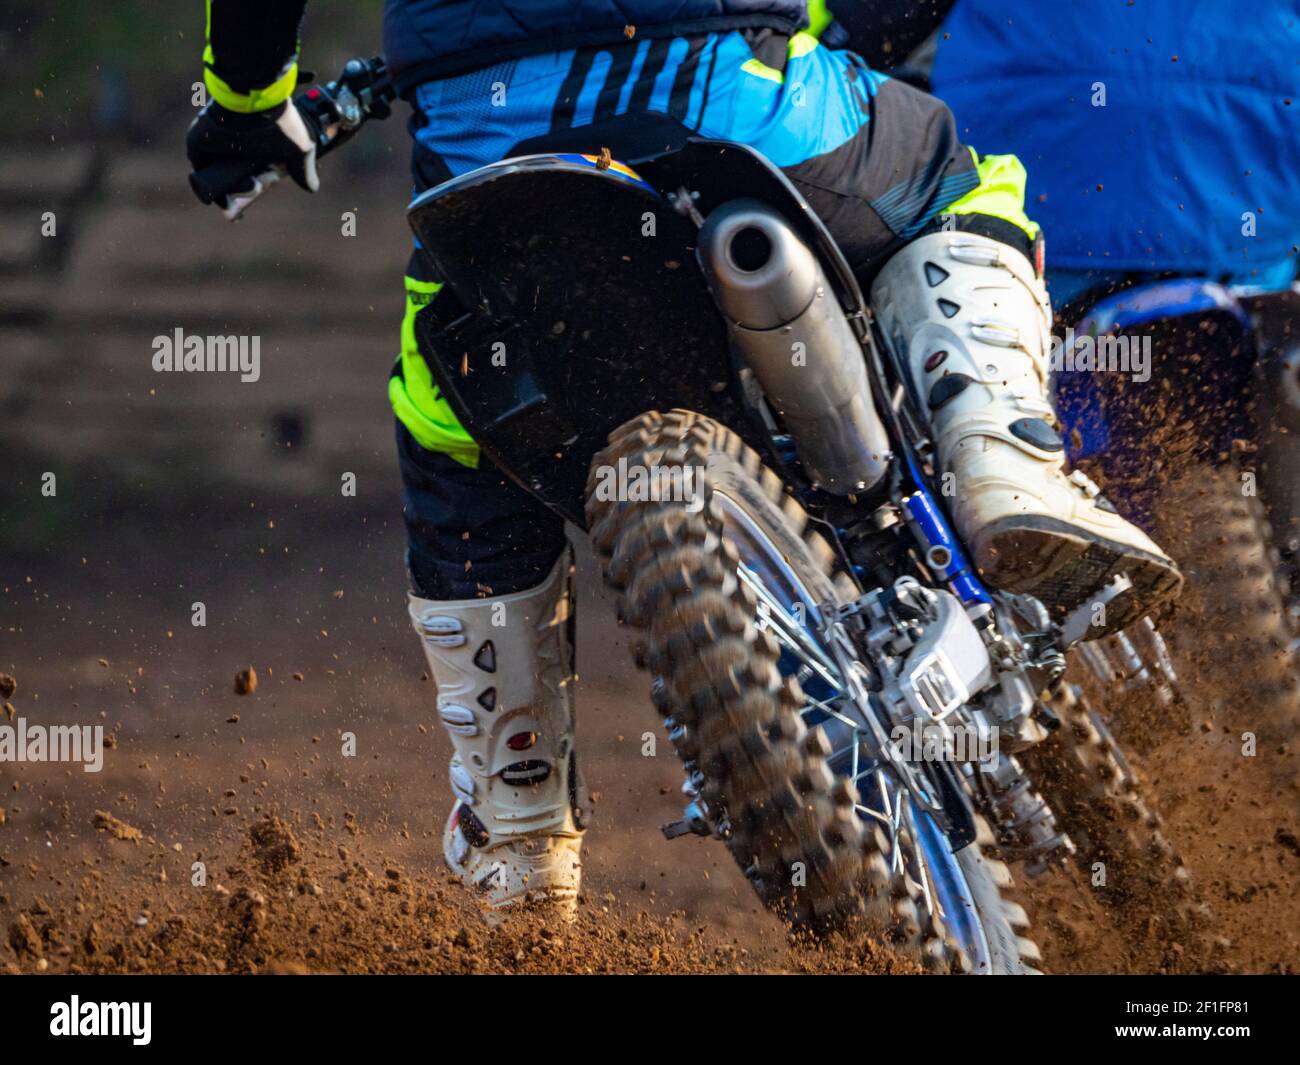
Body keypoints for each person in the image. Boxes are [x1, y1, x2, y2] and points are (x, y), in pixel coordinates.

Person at [187, 0, 1181, 917]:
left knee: (450, 417)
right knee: (954, 180)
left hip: (490, 157)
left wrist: (245, 102)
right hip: (734, 97)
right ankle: (1000, 454)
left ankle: (516, 812)